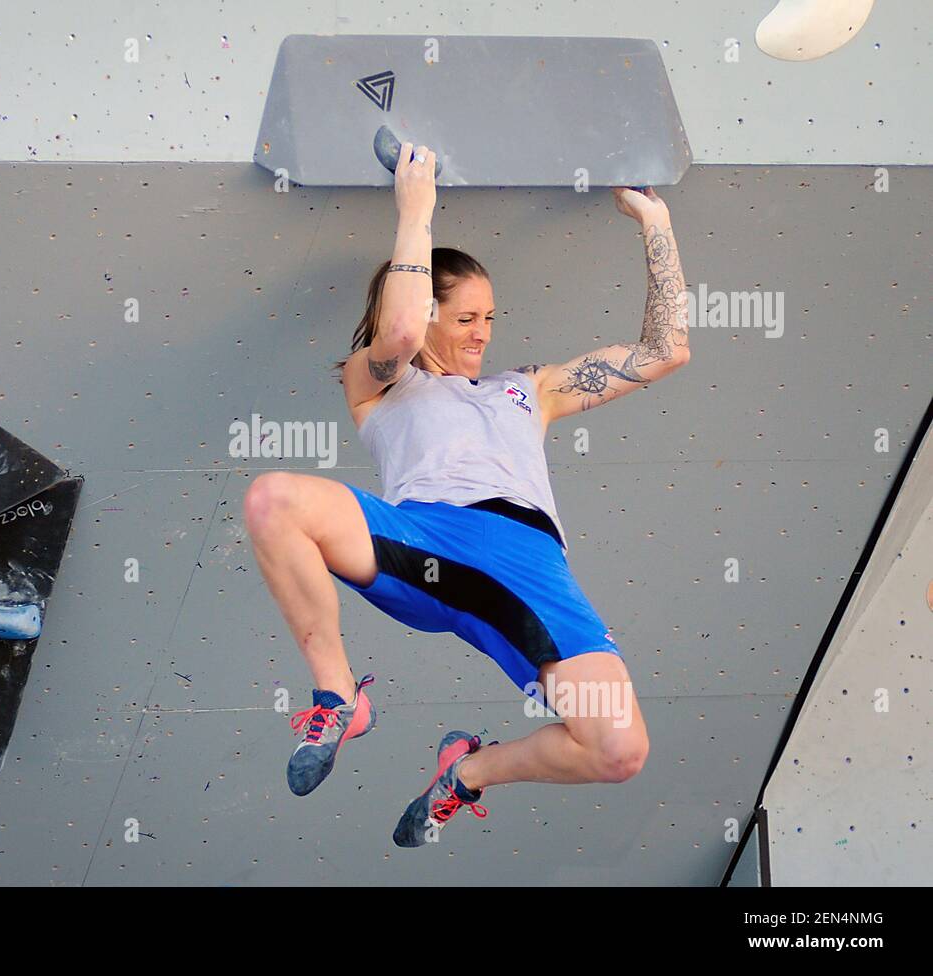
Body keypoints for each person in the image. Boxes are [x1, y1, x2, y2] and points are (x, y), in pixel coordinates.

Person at [243, 141, 690, 848]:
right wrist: (417, 204)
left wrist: (654, 223)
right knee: (272, 500)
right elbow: (397, 329)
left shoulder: (528, 389)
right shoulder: (379, 381)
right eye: (465, 318)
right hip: (425, 547)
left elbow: (665, 351)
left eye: (490, 318)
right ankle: (337, 698)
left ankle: (468, 773)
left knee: (618, 749)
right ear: (428, 317)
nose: (483, 332)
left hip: (528, 570)